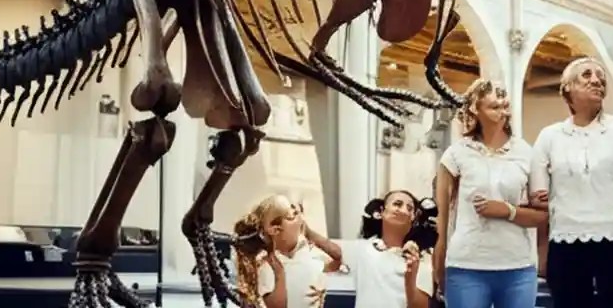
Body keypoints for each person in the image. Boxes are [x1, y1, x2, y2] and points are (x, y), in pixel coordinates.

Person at [529, 56, 613, 307]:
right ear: (567, 88)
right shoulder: (549, 136)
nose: (597, 80)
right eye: (586, 75)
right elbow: (539, 199)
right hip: (566, 243)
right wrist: (542, 253)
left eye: (600, 76)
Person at [434, 78, 546, 308]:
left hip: (518, 267)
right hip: (466, 267)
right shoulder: (455, 154)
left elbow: (544, 215)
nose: (503, 112)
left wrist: (507, 211)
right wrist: (439, 258)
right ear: (475, 110)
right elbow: (442, 219)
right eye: (494, 107)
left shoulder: (527, 152)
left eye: (505, 106)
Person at [306, 189, 438, 308]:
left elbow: (420, 306)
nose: (403, 210)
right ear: (381, 212)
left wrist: (411, 277)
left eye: (410, 208)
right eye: (397, 204)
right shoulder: (364, 249)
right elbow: (335, 251)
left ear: (413, 218)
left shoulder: (421, 258)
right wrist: (306, 232)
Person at [231, 194, 337, 308]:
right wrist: (279, 274)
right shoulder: (266, 265)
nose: (299, 216)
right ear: (276, 229)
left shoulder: (304, 254)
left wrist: (309, 233)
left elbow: (337, 258)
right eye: (292, 215)